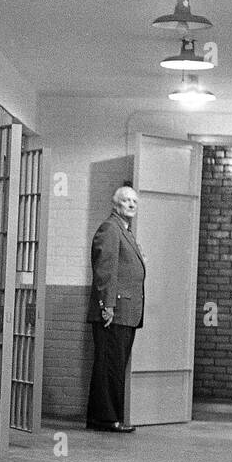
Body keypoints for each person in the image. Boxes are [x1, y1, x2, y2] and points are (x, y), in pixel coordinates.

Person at [86, 185, 145, 432]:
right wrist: (107, 306)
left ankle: (107, 418)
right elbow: (105, 270)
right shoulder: (110, 229)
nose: (131, 204)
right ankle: (107, 419)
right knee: (109, 366)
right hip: (115, 312)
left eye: (134, 201)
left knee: (113, 366)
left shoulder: (125, 231)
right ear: (115, 205)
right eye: (125, 200)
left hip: (124, 312)